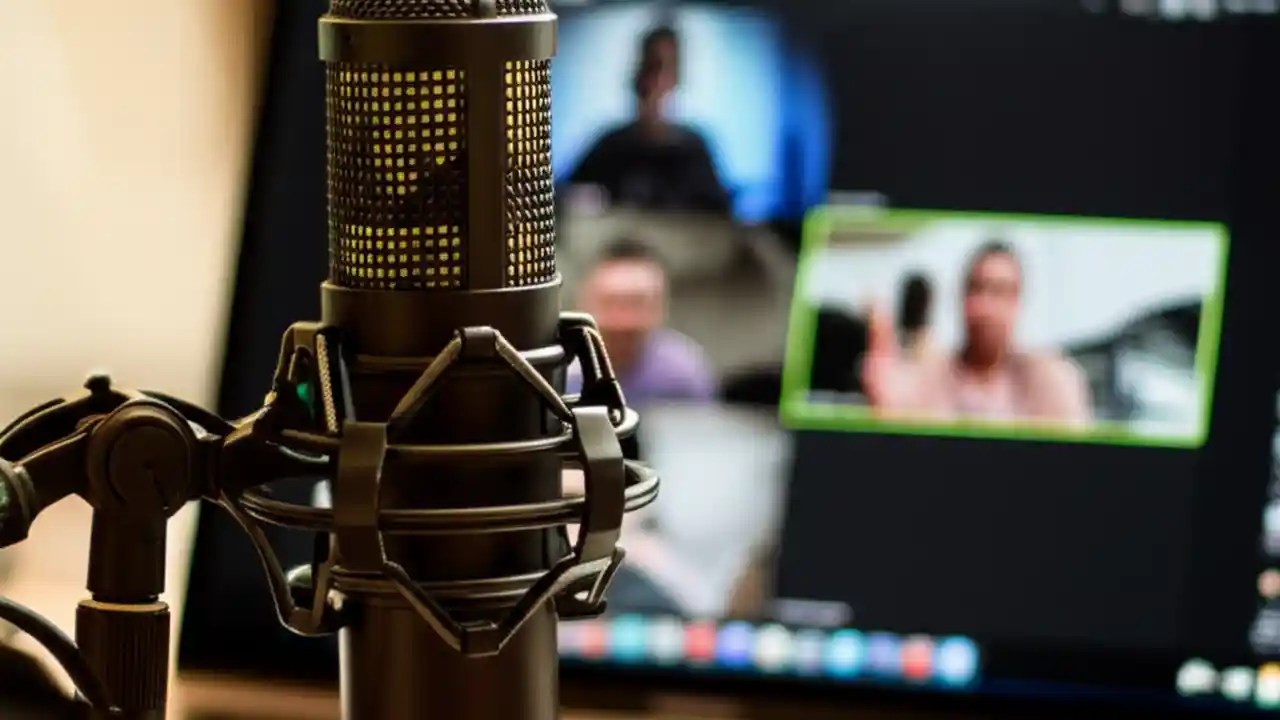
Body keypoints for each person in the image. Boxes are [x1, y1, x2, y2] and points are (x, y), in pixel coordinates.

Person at [861, 241, 1092, 426]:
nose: (984, 307)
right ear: (960, 296)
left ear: (1018, 300)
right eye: (975, 288)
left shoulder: (1051, 379)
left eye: (999, 291)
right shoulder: (928, 377)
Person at [566, 26, 731, 213]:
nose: (654, 80)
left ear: (676, 78)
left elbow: (720, 218)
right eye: (649, 67)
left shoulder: (695, 151)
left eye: (664, 69)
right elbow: (565, 198)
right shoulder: (608, 146)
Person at [569, 238, 717, 407]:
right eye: (610, 303)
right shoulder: (557, 371)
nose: (623, 321)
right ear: (582, 305)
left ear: (661, 308)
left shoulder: (683, 374)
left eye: (637, 304)